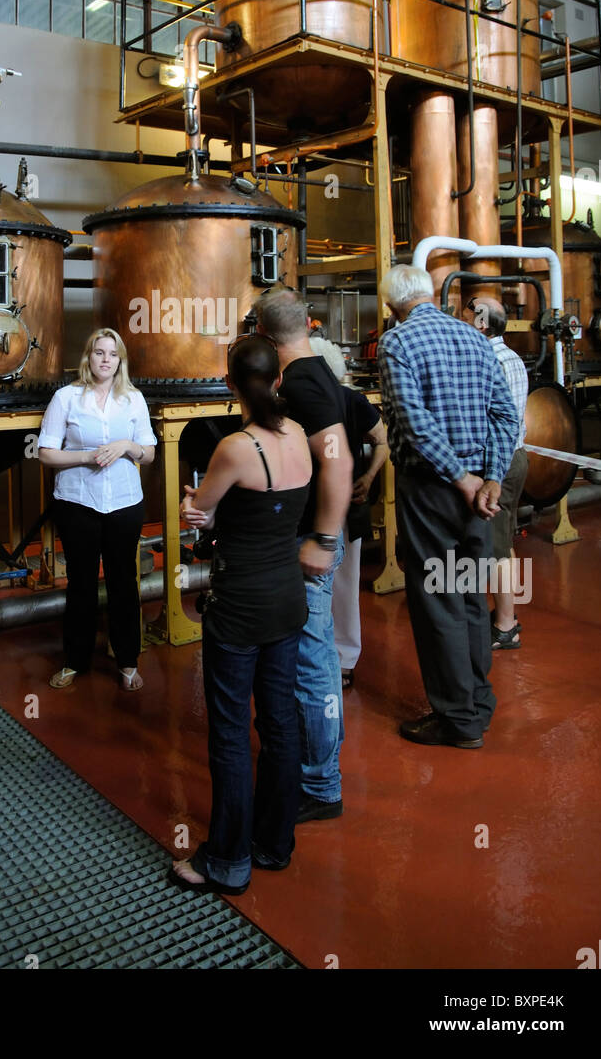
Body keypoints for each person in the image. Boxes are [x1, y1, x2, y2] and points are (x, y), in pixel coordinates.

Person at [171, 334, 312, 895]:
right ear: (278, 381)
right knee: (279, 724)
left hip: (239, 608)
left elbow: (198, 513)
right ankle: (275, 844)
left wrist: (192, 506)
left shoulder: (235, 447)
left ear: (231, 386)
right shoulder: (301, 435)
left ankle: (227, 860)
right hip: (287, 601)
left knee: (229, 734)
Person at [377, 266, 519, 748]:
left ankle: (457, 720)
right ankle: (478, 704)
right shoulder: (475, 338)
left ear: (392, 305)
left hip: (435, 490)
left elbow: (414, 423)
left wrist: (462, 480)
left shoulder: (397, 343)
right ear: (430, 294)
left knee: (438, 603)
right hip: (480, 493)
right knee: (468, 595)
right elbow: (505, 414)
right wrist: (492, 478)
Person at [256, 286, 353, 822]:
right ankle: (310, 770)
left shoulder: (302, 383)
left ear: (266, 337)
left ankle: (320, 786)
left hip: (311, 542)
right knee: (307, 658)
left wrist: (324, 539)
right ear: (309, 325)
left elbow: (336, 460)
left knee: (313, 664)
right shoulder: (318, 374)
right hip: (303, 538)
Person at [38, 328, 156, 691]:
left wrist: (125, 446)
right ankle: (75, 660)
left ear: (120, 361)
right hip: (77, 503)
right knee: (81, 585)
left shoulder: (133, 399)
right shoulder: (66, 398)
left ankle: (127, 662)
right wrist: (87, 456)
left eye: (113, 354)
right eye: (99, 352)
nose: (106, 359)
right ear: (88, 357)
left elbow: (149, 452)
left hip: (124, 503)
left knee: (124, 583)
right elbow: (45, 453)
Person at [464, 295, 529, 651]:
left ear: (481, 322)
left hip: (498, 464)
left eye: (468, 311)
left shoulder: (488, 359)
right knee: (504, 542)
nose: (462, 315)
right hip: (517, 457)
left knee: (498, 550)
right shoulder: (513, 357)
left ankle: (506, 626)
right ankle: (507, 616)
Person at [332, 387, 388, 690]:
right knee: (344, 583)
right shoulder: (348, 397)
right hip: (319, 501)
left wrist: (368, 478)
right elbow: (381, 439)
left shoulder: (349, 399)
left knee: (344, 581)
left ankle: (343, 659)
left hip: (345, 501)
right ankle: (341, 659)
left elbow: (382, 438)